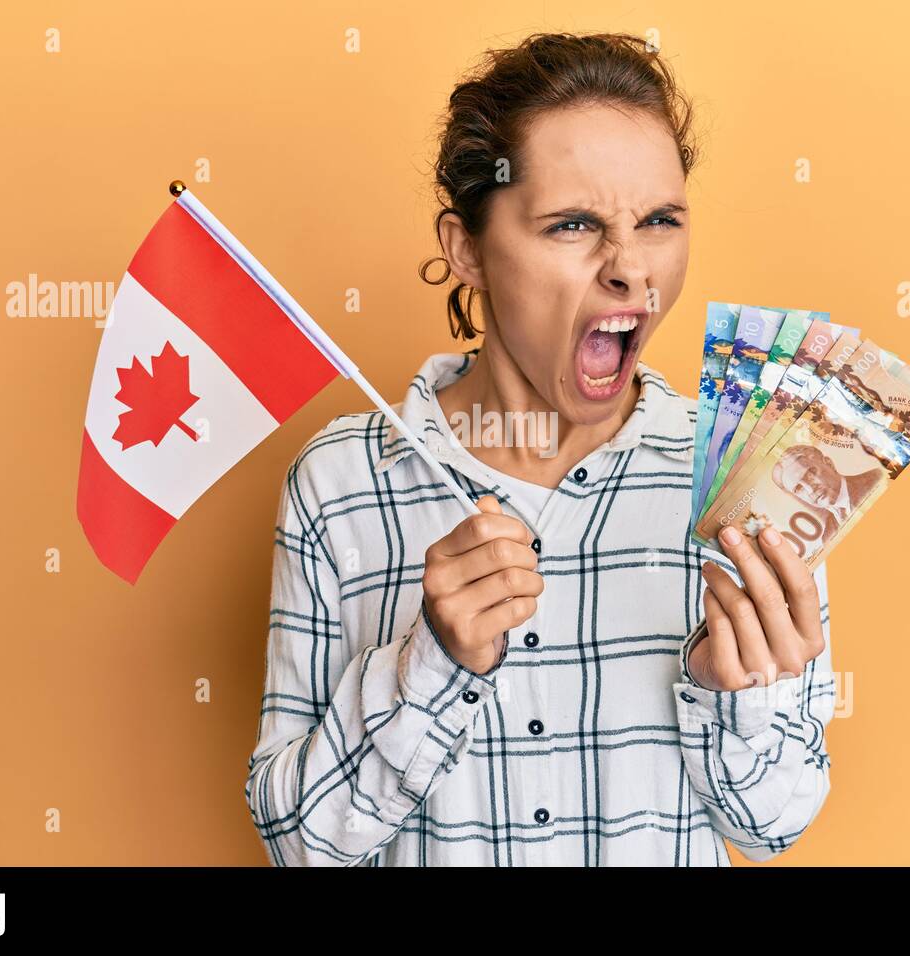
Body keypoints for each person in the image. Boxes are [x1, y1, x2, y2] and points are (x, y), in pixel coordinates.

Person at [245, 31, 836, 867]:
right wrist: (431, 666)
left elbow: (773, 826)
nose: (631, 270)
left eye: (659, 220)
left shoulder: (748, 474)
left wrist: (729, 694)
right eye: (573, 225)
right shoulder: (341, 483)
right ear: (466, 249)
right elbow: (295, 845)